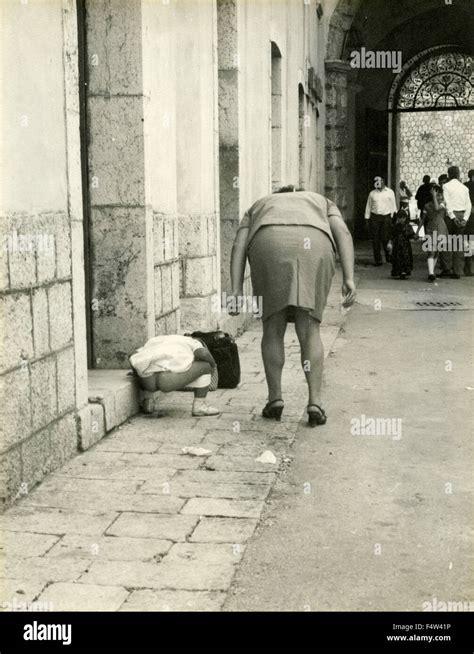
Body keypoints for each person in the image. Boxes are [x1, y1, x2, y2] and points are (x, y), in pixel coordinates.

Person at [228, 185, 356, 427]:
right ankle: (314, 403)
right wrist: (349, 277)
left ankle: (275, 399)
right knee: (309, 329)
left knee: (273, 326)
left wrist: (235, 290)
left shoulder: (260, 205)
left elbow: (238, 245)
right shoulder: (321, 201)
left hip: (269, 243)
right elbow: (343, 234)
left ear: (278, 194)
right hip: (315, 243)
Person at [129, 334, 220, 417]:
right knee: (206, 365)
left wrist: (136, 373)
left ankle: (148, 401)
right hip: (166, 380)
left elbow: (133, 356)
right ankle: (199, 406)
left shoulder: (158, 339)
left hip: (148, 381)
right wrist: (213, 365)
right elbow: (203, 354)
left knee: (145, 365)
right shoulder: (193, 342)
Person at [439, 166, 472, 279]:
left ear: (448, 175)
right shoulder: (464, 188)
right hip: (462, 214)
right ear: (458, 175)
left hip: (450, 216)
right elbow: (469, 205)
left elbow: (447, 203)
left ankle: (446, 268)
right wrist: (465, 219)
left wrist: (453, 218)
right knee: (458, 244)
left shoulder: (446, 186)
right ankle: (457, 270)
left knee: (446, 242)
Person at [416, 185, 449, 282]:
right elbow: (423, 220)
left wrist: (434, 196)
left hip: (441, 229)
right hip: (431, 229)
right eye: (436, 195)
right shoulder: (426, 206)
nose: (439, 197)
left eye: (440, 195)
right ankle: (431, 273)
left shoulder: (443, 203)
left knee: (437, 252)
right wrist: (417, 231)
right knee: (431, 251)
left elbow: (437, 208)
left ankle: (432, 271)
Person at [364, 177, 397, 266]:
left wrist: (393, 218)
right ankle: (378, 260)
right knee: (375, 239)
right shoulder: (372, 193)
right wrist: (367, 218)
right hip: (375, 217)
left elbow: (393, 205)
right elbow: (368, 206)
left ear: (383, 181)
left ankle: (388, 257)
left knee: (386, 238)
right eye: (376, 181)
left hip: (386, 217)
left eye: (380, 180)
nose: (378, 182)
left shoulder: (390, 192)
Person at [390, 201, 414, 280]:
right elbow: (392, 235)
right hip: (399, 245)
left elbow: (411, 235)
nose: (401, 219)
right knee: (399, 258)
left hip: (404, 245)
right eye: (400, 218)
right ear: (397, 218)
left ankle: (403, 271)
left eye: (403, 218)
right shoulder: (396, 227)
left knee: (404, 258)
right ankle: (401, 271)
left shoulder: (407, 226)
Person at [463, 169, 474, 276]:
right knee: (471, 242)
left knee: (466, 241)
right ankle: (468, 268)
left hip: (465, 215)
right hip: (472, 217)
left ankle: (467, 265)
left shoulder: (464, 186)